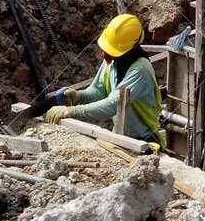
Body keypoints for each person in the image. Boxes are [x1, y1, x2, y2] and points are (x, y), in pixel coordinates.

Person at [35, 14, 164, 147]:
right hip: (120, 137)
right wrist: (80, 96)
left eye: (111, 51)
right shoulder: (114, 59)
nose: (104, 54)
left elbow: (113, 105)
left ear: (129, 48)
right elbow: (98, 91)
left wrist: (73, 111)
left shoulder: (140, 70)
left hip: (143, 141)